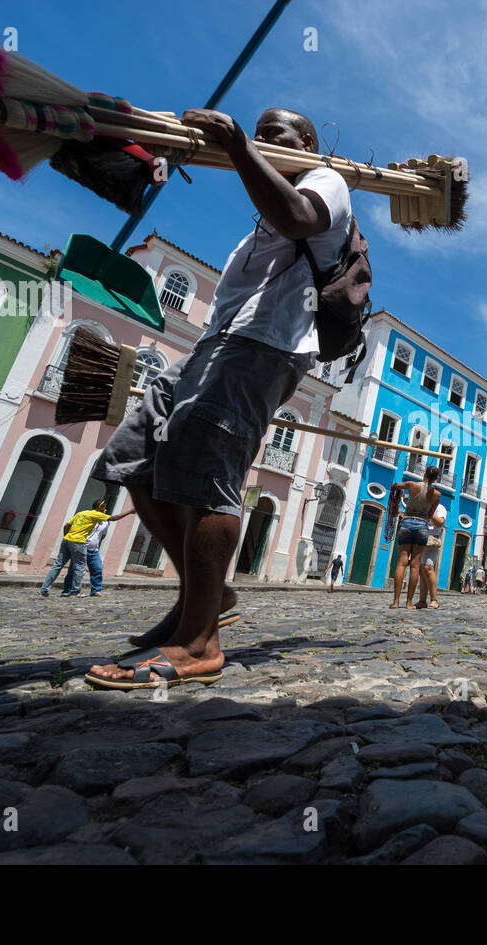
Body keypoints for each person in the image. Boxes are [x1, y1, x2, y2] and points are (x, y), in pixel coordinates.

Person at [86, 106, 353, 689]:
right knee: (135, 456)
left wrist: (234, 143)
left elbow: (299, 216)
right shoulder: (257, 219)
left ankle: (199, 643)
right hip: (218, 342)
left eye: (273, 134)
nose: (262, 141)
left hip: (264, 346)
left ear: (306, 141)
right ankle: (206, 596)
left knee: (211, 468)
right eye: (256, 133)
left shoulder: (326, 180)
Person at [40, 500, 134, 597]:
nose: (105, 509)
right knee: (79, 568)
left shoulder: (81, 513)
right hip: (79, 542)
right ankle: (75, 592)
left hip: (67, 540)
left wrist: (67, 537)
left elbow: (66, 526)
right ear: (100, 508)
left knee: (57, 566)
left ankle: (44, 589)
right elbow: (114, 518)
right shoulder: (96, 514)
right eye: (104, 507)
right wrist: (129, 512)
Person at [388, 467, 441, 608]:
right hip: (422, 526)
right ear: (436, 479)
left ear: (424, 474)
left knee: (401, 563)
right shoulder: (437, 495)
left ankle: (395, 602)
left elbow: (395, 486)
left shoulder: (412, 485)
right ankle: (409, 603)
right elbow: (430, 514)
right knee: (415, 565)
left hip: (407, 523)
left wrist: (400, 489)